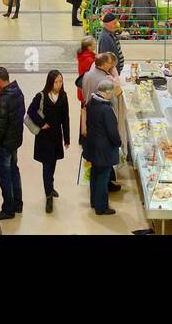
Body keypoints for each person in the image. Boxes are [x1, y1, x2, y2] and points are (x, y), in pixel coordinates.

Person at [27, 69, 71, 212]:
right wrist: (41, 123)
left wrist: (67, 138)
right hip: (44, 137)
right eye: (56, 82)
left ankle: (50, 188)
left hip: (56, 137)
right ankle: (48, 196)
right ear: (50, 82)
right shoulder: (42, 96)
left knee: (52, 165)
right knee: (47, 166)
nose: (58, 84)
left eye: (60, 81)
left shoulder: (63, 97)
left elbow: (65, 118)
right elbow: (31, 111)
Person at [84, 79, 123, 216]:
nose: (112, 95)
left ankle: (94, 201)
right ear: (106, 93)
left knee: (94, 174)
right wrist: (119, 143)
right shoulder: (106, 109)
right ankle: (101, 207)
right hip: (104, 149)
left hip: (92, 145)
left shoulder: (91, 103)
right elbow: (112, 132)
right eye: (111, 93)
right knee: (103, 177)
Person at [0, 66, 25, 219]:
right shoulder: (18, 92)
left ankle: (8, 209)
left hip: (4, 145)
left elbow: (0, 127)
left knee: (4, 176)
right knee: (14, 171)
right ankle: (18, 203)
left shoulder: (4, 100)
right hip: (15, 141)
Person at [75, 36, 96, 104]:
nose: (95, 44)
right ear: (89, 47)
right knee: (86, 110)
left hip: (83, 87)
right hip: (87, 89)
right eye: (94, 43)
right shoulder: (88, 59)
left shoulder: (84, 55)